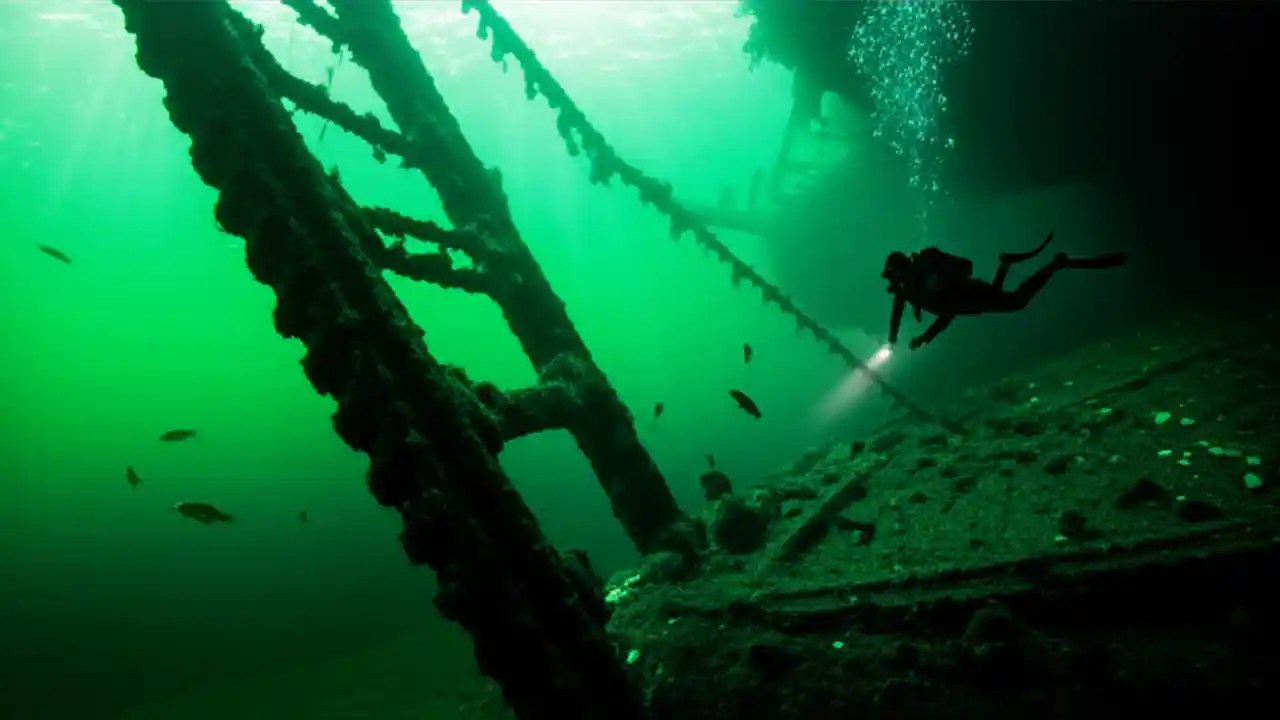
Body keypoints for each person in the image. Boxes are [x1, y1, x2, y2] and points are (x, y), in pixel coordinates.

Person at [882, 232, 1128, 350]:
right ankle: (1006, 264)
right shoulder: (910, 290)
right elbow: (936, 313)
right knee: (1002, 298)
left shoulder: (923, 278)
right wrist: (915, 338)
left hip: (971, 296)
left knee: (1016, 302)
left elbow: (962, 277)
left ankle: (1056, 264)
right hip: (970, 300)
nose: (895, 284)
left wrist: (921, 336)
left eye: (895, 276)